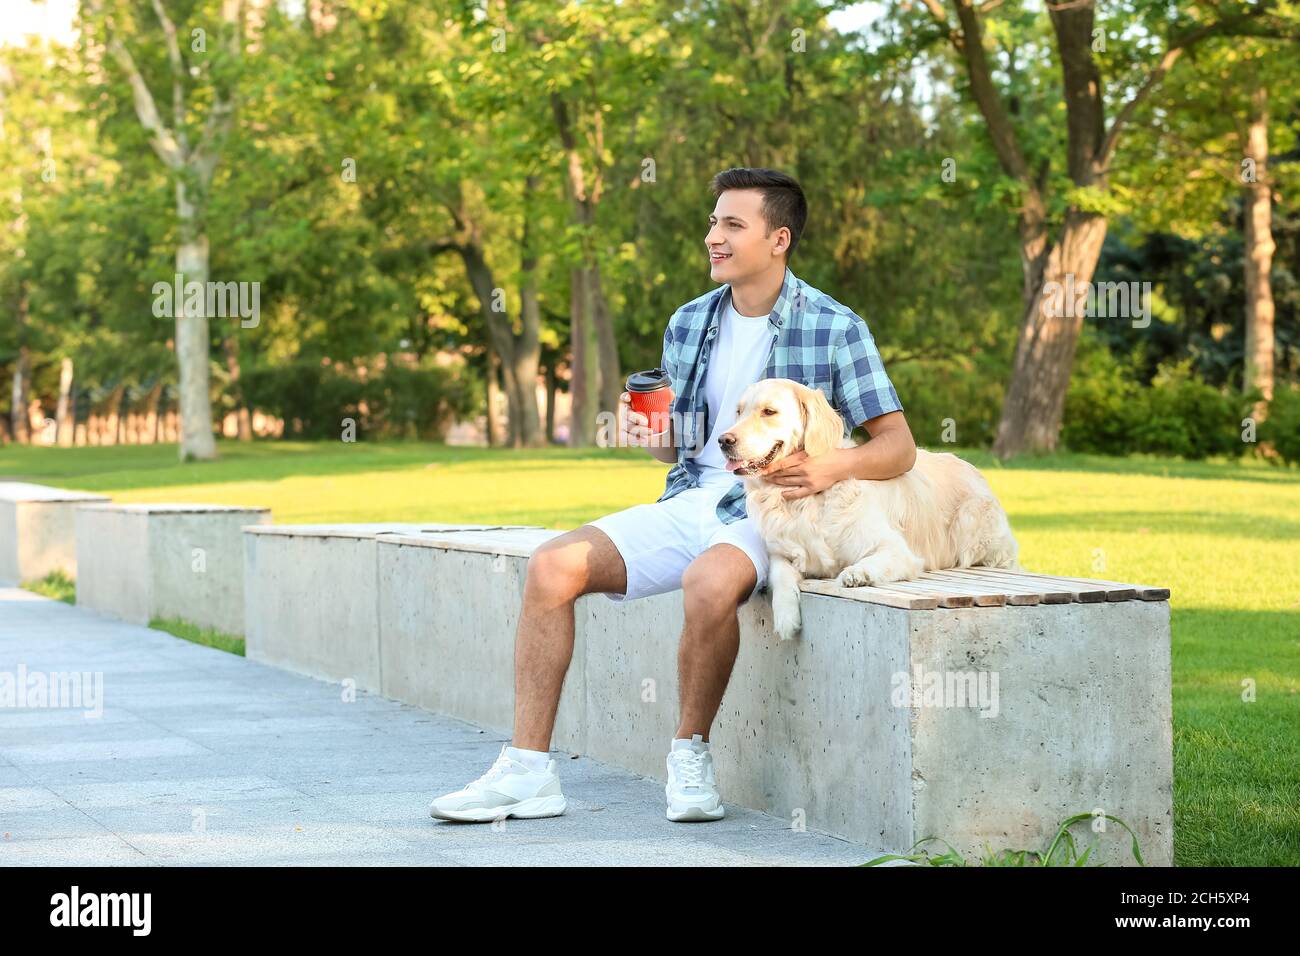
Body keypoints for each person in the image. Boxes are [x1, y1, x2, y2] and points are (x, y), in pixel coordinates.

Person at [430, 167, 916, 824]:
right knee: (552, 566)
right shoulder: (689, 323)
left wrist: (830, 469)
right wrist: (651, 432)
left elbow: (898, 447)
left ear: (778, 239)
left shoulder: (835, 326)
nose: (714, 236)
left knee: (709, 584)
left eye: (732, 225)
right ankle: (527, 770)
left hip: (774, 509)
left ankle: (689, 755)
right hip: (692, 497)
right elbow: (679, 447)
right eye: (714, 222)